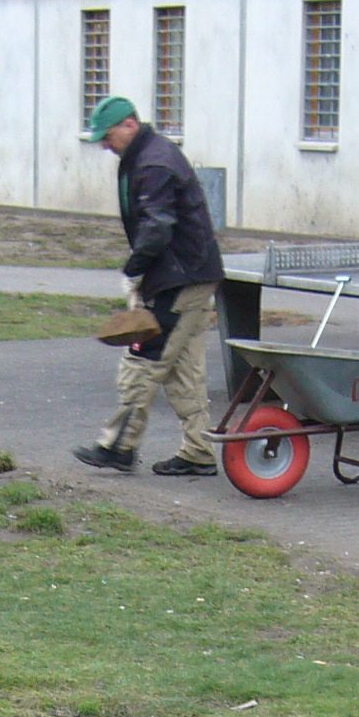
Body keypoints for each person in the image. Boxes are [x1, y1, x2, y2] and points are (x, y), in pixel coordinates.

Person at [74, 96, 225, 479]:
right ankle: (199, 451)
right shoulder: (149, 155)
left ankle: (118, 447)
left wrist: (135, 269)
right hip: (189, 275)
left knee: (143, 360)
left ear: (128, 124)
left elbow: (157, 225)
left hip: (179, 278)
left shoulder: (154, 162)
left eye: (107, 137)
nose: (105, 146)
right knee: (184, 369)